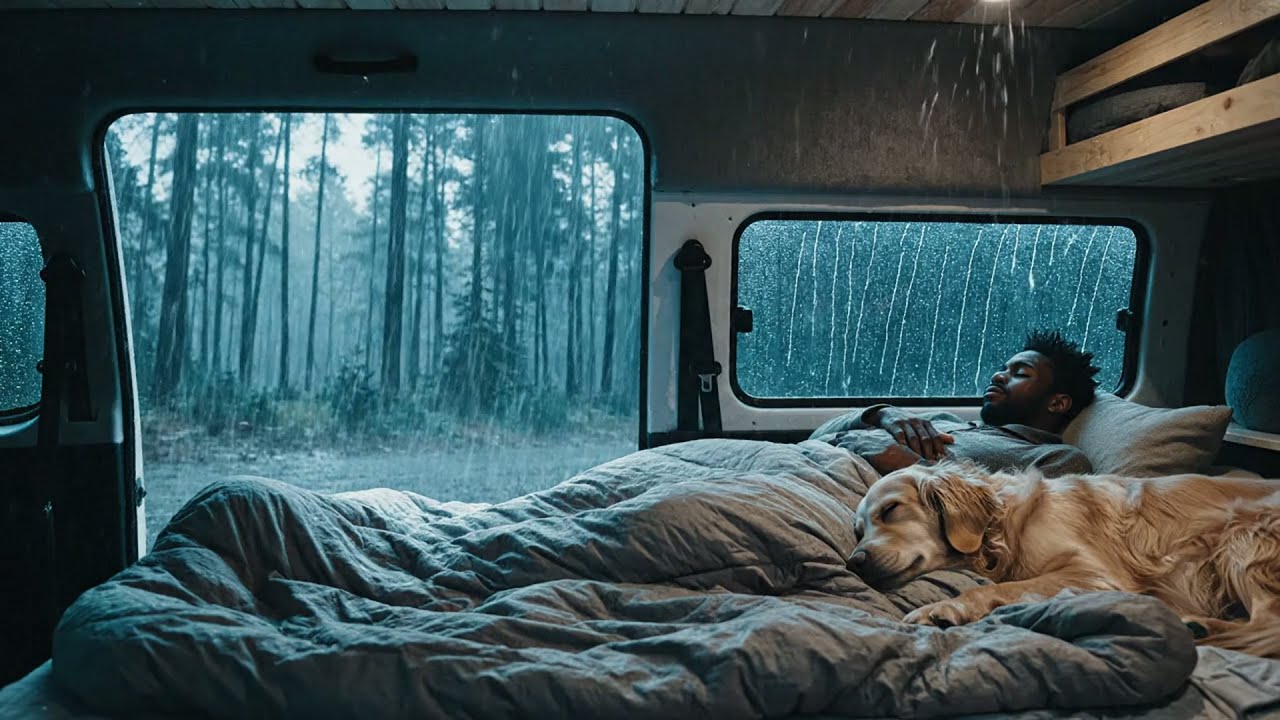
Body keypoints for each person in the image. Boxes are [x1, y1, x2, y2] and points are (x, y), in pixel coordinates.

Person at [813, 330, 1099, 478]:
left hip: (850, 492)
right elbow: (816, 435)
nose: (998, 375)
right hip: (808, 459)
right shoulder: (944, 418)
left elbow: (1015, 519)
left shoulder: (1057, 458)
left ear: (1058, 403)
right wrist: (882, 413)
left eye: (1020, 373)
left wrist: (917, 467)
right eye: (1003, 368)